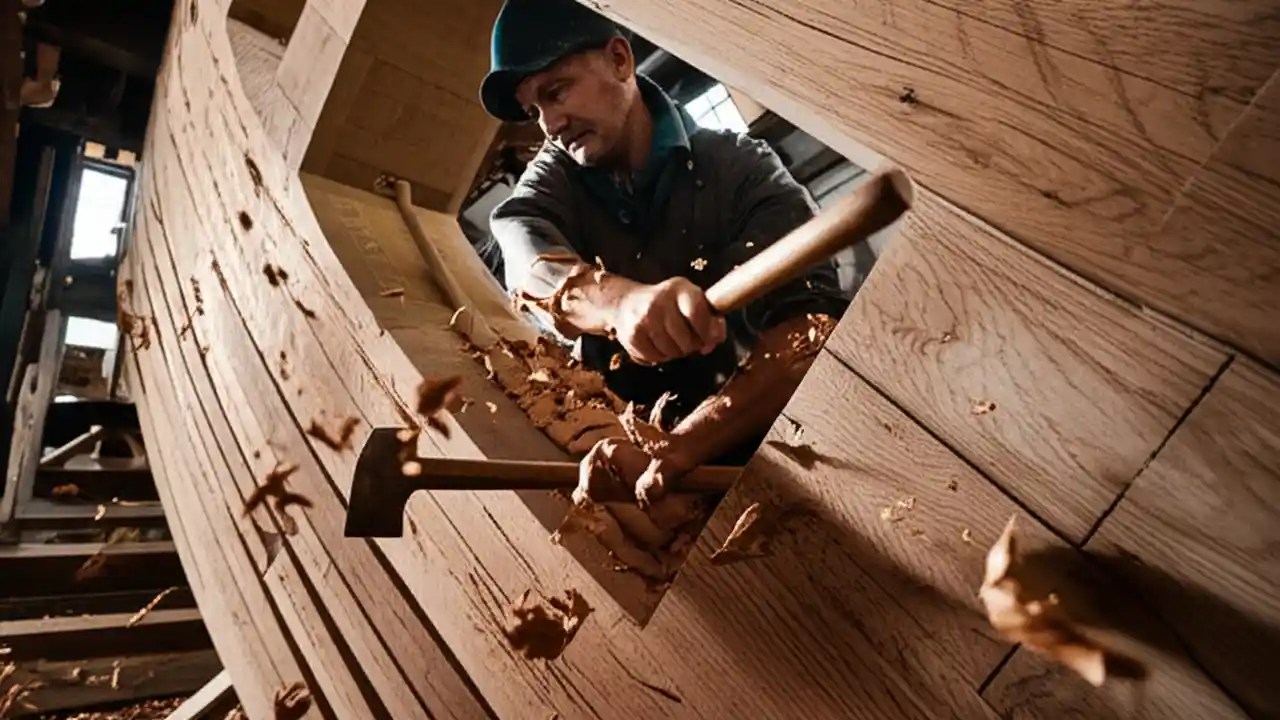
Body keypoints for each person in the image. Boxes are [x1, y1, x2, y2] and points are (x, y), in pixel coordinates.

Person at [481, 0, 849, 512]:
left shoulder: (740, 166)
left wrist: (680, 449)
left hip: (779, 454)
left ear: (619, 60)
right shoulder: (555, 174)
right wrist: (618, 304)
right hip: (636, 477)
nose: (549, 123)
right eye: (532, 110)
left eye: (556, 91)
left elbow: (812, 328)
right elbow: (522, 243)